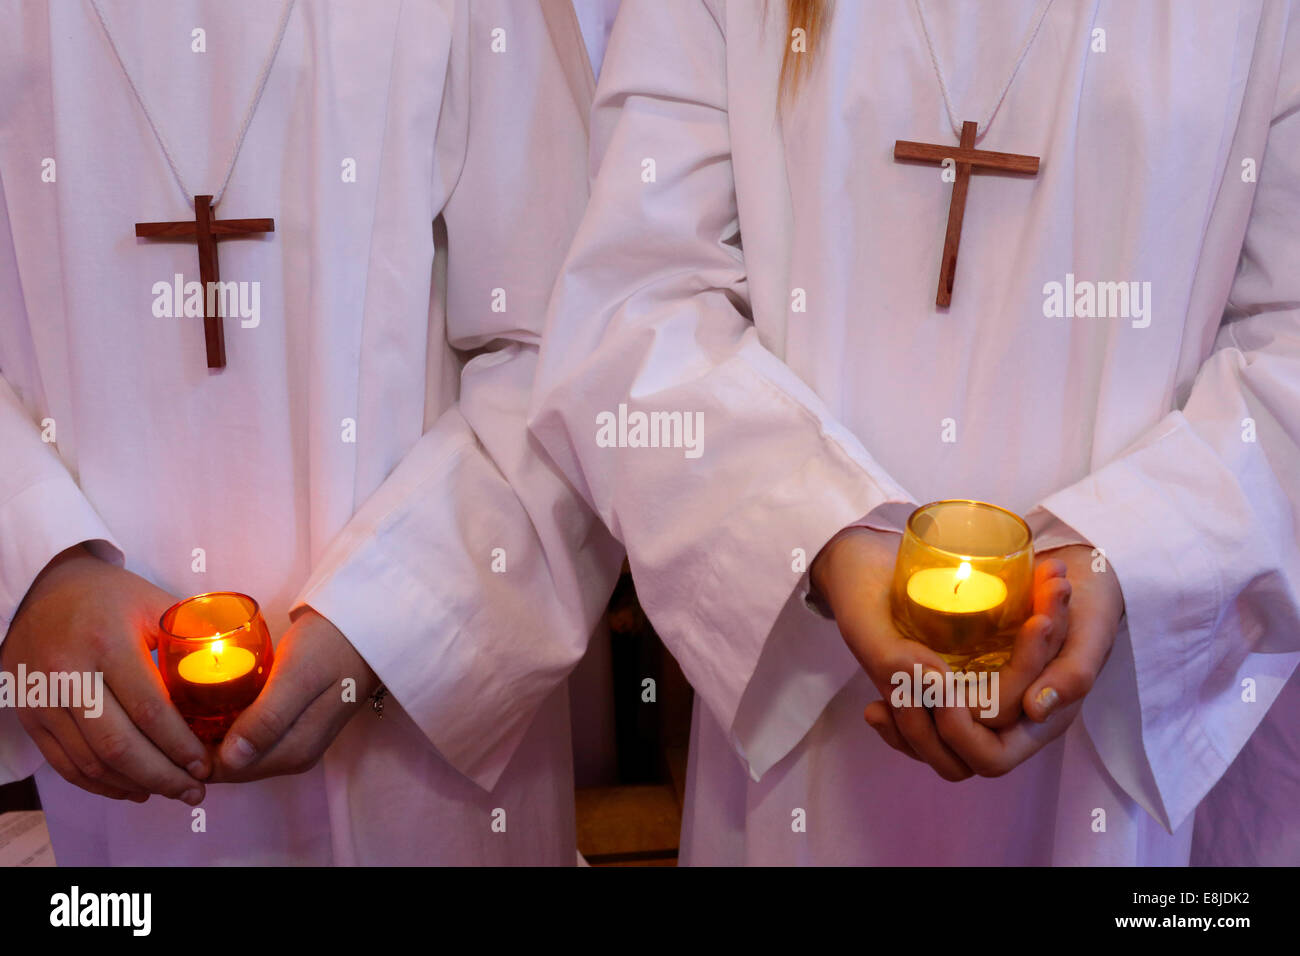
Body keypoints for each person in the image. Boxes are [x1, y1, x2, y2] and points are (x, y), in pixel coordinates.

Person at [529, 0, 1300, 863]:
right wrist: (816, 534)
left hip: (1126, 732)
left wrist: (1139, 551)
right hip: (812, 727)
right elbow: (638, 299)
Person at [0, 0, 604, 865]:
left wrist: (401, 613)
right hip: (115, 770)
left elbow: (569, 335)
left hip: (418, 769)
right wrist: (31, 571)